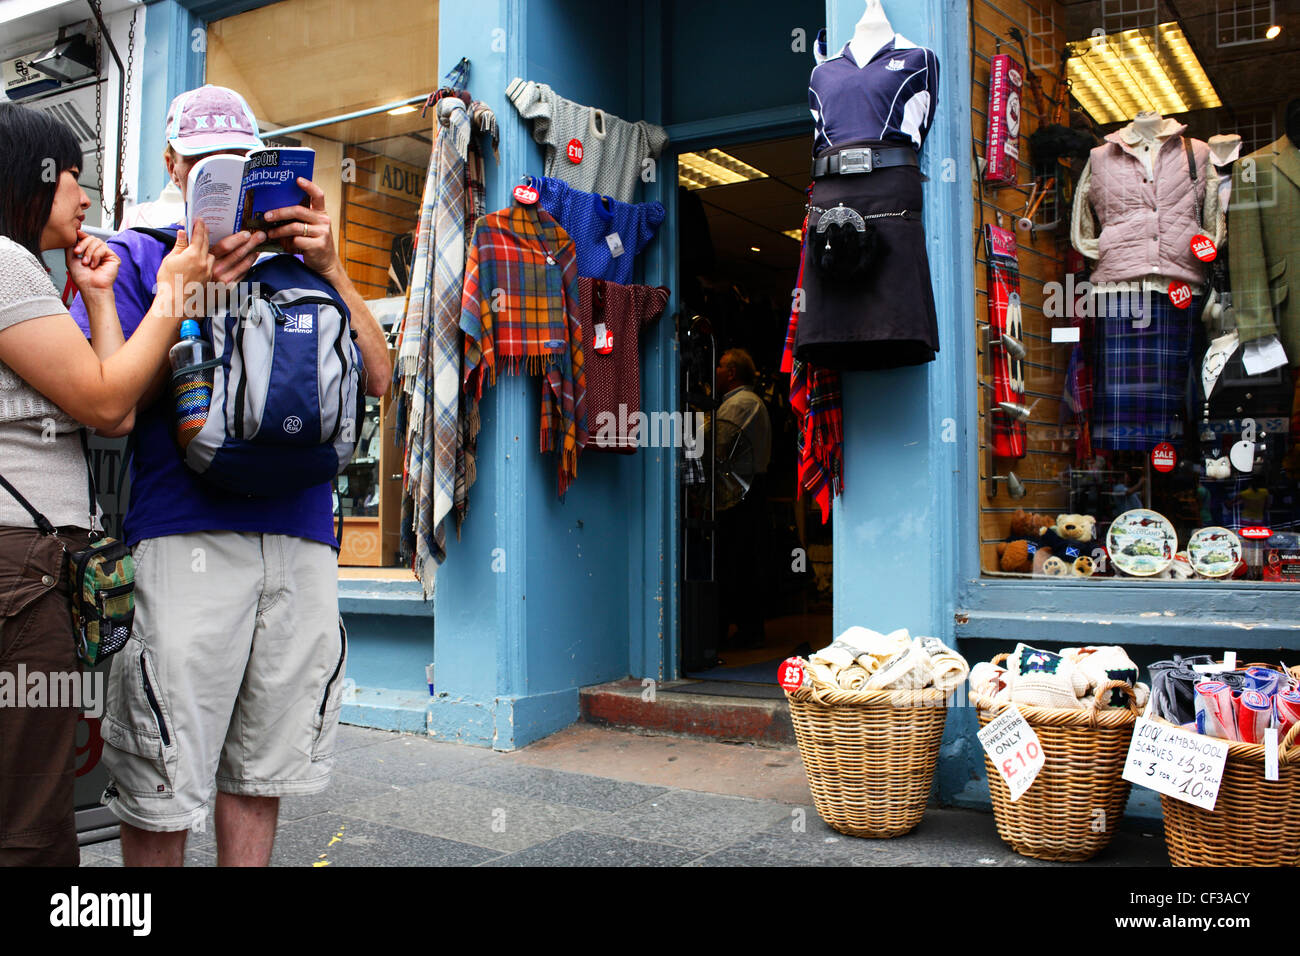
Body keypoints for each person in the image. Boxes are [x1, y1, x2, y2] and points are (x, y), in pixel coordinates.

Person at [68, 85, 392, 867]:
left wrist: (335, 268)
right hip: (183, 534)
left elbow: (378, 378)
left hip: (304, 537)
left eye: (240, 165)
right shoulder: (139, 255)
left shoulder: (302, 263)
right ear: (174, 166)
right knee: (164, 769)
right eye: (203, 163)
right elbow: (109, 403)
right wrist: (187, 296)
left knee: (264, 764)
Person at [0, 102, 213, 865]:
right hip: (18, 567)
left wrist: (97, 298)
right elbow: (109, 400)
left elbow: (110, 414)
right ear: (31, 177)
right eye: (71, 177)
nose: (84, 198)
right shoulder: (6, 263)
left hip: (28, 565)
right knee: (29, 812)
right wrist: (172, 294)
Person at [709, 348, 772, 649]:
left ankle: (741, 630)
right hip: (748, 487)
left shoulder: (741, 403)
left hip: (740, 489)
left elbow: (717, 442)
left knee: (735, 559)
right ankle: (747, 628)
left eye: (720, 366)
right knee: (745, 558)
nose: (716, 370)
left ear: (731, 373)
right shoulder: (748, 402)